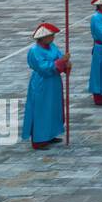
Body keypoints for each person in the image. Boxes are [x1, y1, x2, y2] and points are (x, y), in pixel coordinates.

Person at [22, 22, 69, 150]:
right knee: (41, 109)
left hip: (54, 82)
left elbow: (59, 57)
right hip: (42, 82)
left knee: (53, 107)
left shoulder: (52, 46)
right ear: (42, 37)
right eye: (50, 36)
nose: (53, 38)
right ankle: (39, 138)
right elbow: (43, 67)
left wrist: (65, 63)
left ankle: (50, 133)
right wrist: (61, 62)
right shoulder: (35, 51)